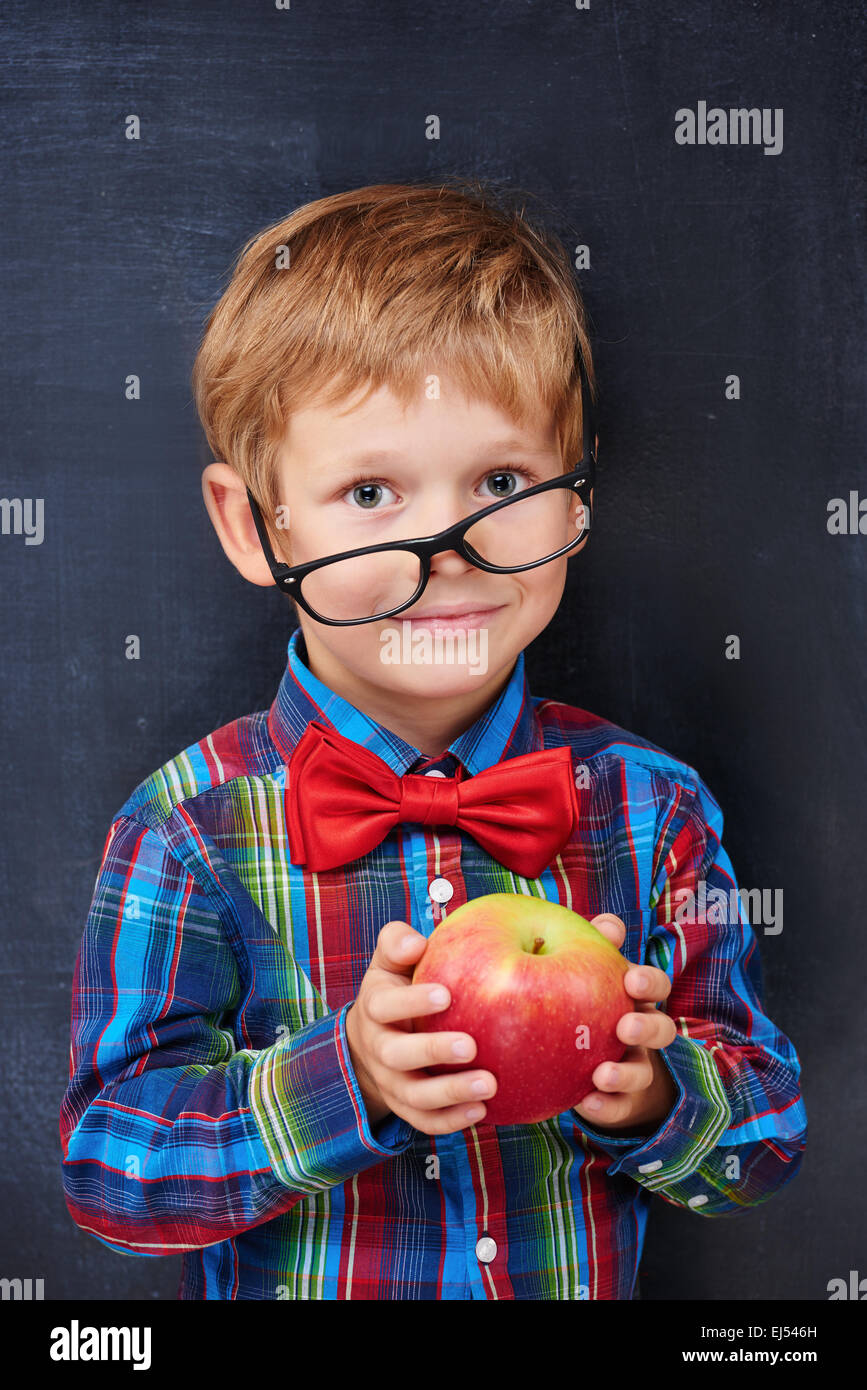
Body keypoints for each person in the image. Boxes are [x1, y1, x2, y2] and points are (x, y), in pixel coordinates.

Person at [60, 180, 807, 1300]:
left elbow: (771, 1138)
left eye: (501, 482)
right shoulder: (187, 826)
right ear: (254, 525)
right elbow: (110, 1180)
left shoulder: (654, 812)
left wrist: (660, 1096)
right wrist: (342, 1077)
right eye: (370, 490)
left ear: (575, 500)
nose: (442, 548)